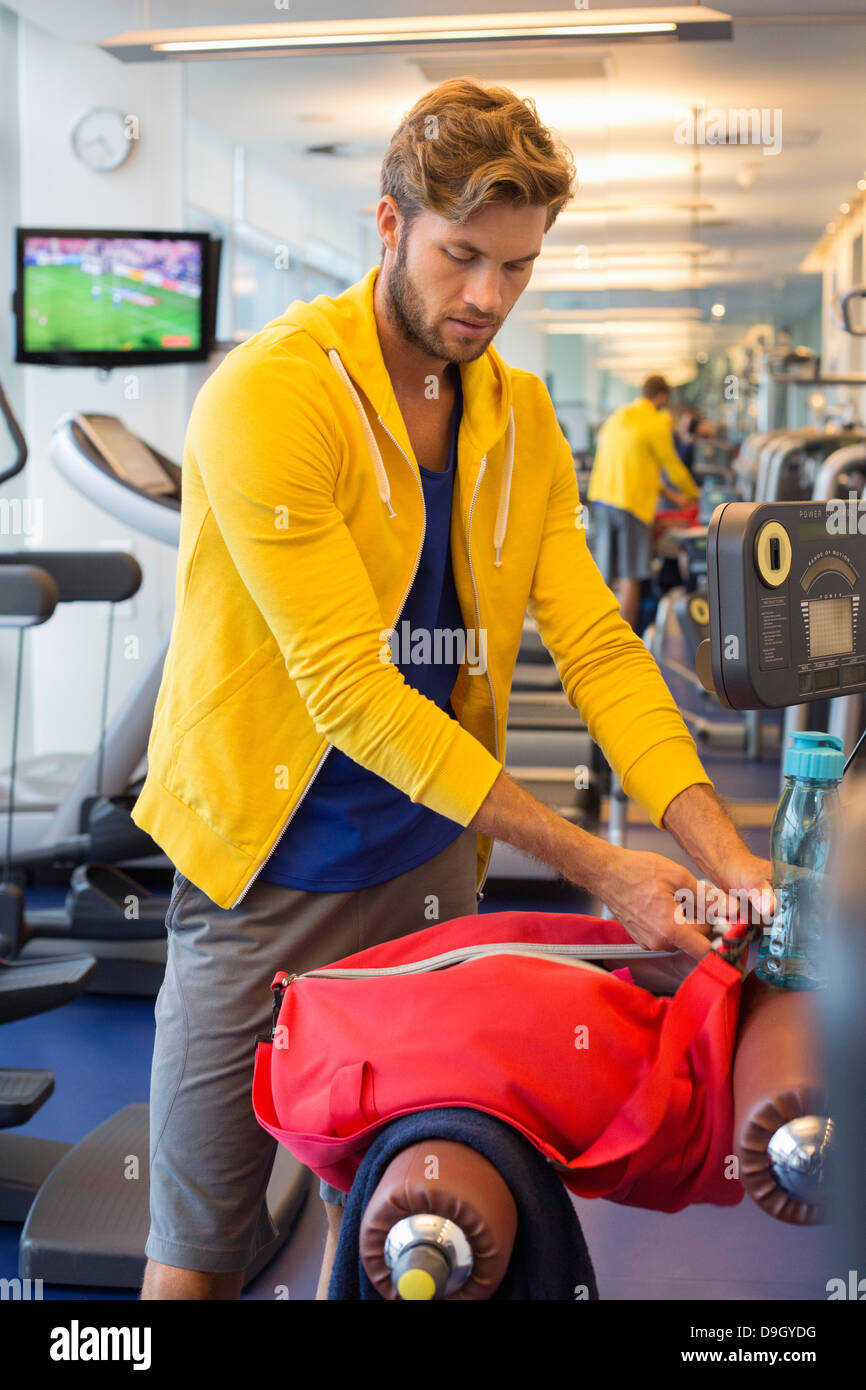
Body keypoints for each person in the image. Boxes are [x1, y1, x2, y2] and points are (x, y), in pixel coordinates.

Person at [133, 78, 770, 1302]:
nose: (485, 297)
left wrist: (716, 847)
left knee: (388, 1207)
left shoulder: (521, 416)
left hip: (433, 863)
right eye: (460, 256)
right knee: (200, 1249)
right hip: (265, 869)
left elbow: (594, 645)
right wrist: (600, 865)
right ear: (388, 225)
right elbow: (348, 692)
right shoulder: (277, 394)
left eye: (517, 267)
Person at [588, 376, 700, 629]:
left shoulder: (618, 417)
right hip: (632, 505)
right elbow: (673, 468)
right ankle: (624, 647)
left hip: (603, 499)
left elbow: (636, 467)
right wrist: (695, 494)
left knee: (604, 575)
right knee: (632, 576)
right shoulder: (656, 422)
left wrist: (673, 498)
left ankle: (595, 637)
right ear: (661, 397)